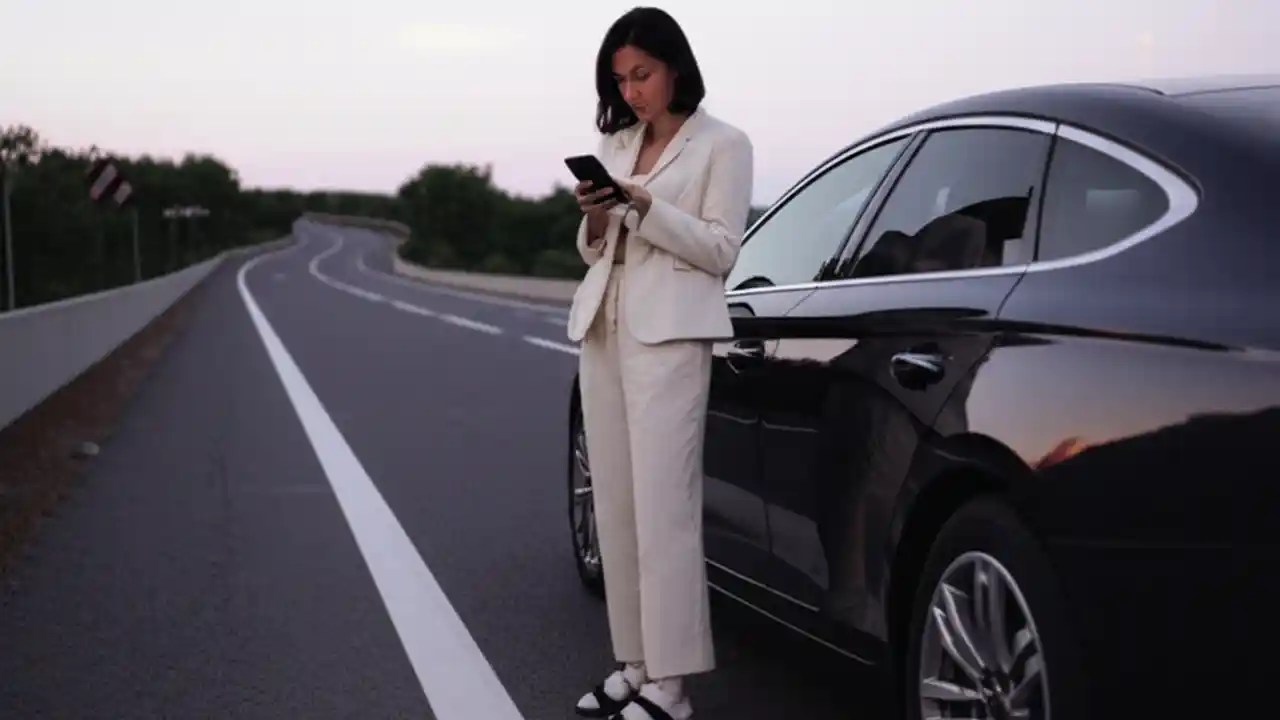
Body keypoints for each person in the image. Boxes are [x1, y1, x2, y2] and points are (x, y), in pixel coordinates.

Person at [564, 6, 753, 720]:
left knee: (664, 513)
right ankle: (636, 665)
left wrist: (643, 206)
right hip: (606, 327)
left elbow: (720, 250)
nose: (633, 89)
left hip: (670, 338)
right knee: (615, 506)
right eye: (621, 78)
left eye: (641, 73)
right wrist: (597, 212)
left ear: (675, 64)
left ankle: (671, 690)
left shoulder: (724, 145)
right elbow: (592, 249)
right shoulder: (616, 141)